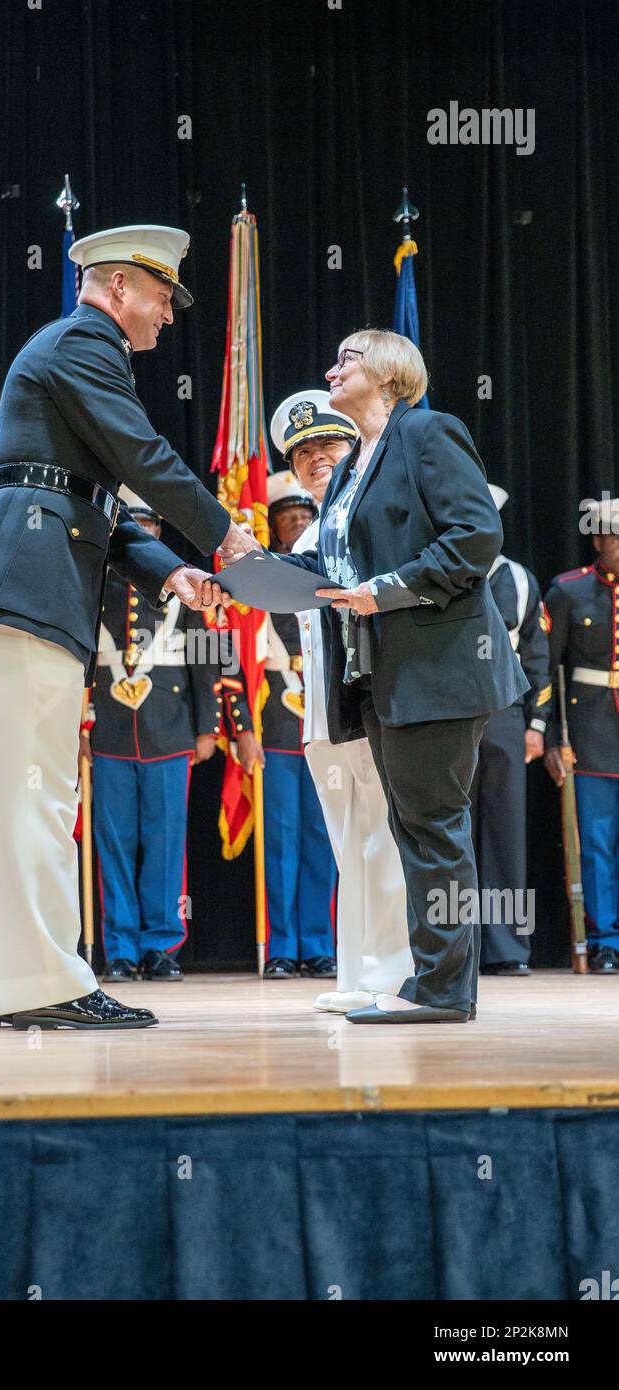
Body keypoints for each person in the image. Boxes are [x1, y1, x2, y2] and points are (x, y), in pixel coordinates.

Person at [0, 225, 250, 1031]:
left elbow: (86, 495)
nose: (168, 316)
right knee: (34, 792)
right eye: (160, 296)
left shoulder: (68, 349)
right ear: (116, 290)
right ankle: (46, 985)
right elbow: (141, 457)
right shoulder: (84, 342)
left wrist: (166, 568)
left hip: (10, 578)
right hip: (29, 587)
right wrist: (223, 535)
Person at [215, 330, 527, 1023]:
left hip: (439, 671)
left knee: (436, 829)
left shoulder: (428, 432)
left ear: (389, 373)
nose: (331, 368)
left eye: (347, 359)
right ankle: (429, 984)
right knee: (418, 831)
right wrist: (234, 574)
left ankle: (445, 992)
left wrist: (387, 589)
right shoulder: (356, 467)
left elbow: (475, 539)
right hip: (386, 679)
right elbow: (328, 577)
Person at [270, 391, 413, 1011]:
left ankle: (393, 975)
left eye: (328, 444)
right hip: (323, 717)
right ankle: (357, 976)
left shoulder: (371, 517)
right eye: (303, 453)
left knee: (385, 844)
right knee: (350, 850)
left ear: (355, 448)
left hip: (373, 708)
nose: (316, 458)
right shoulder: (304, 542)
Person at [85, 488, 222, 981]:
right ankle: (120, 947)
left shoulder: (186, 587)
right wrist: (80, 722)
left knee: (166, 844)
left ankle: (162, 945)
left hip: (170, 730)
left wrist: (208, 727)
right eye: (135, 526)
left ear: (162, 531)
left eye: (152, 527)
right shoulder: (96, 582)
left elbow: (207, 660)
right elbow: (82, 659)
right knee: (114, 843)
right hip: (110, 733)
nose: (145, 534)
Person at [258, 468, 338, 979]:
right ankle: (282, 946)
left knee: (323, 838)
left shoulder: (331, 577)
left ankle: (320, 943)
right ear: (274, 528)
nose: (296, 527)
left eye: (304, 518)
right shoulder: (261, 584)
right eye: (287, 520)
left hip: (326, 727)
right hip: (277, 732)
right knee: (281, 844)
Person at [471, 484, 551, 976]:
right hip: (451, 713)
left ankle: (505, 948)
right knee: (450, 831)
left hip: (504, 714)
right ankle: (457, 948)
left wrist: (536, 724)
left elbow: (538, 658)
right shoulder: (439, 570)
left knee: (504, 833)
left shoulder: (520, 580)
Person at [543, 499, 619, 973]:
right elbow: (546, 670)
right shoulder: (568, 591)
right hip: (590, 731)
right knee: (597, 841)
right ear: (598, 540)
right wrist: (551, 735)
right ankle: (606, 938)